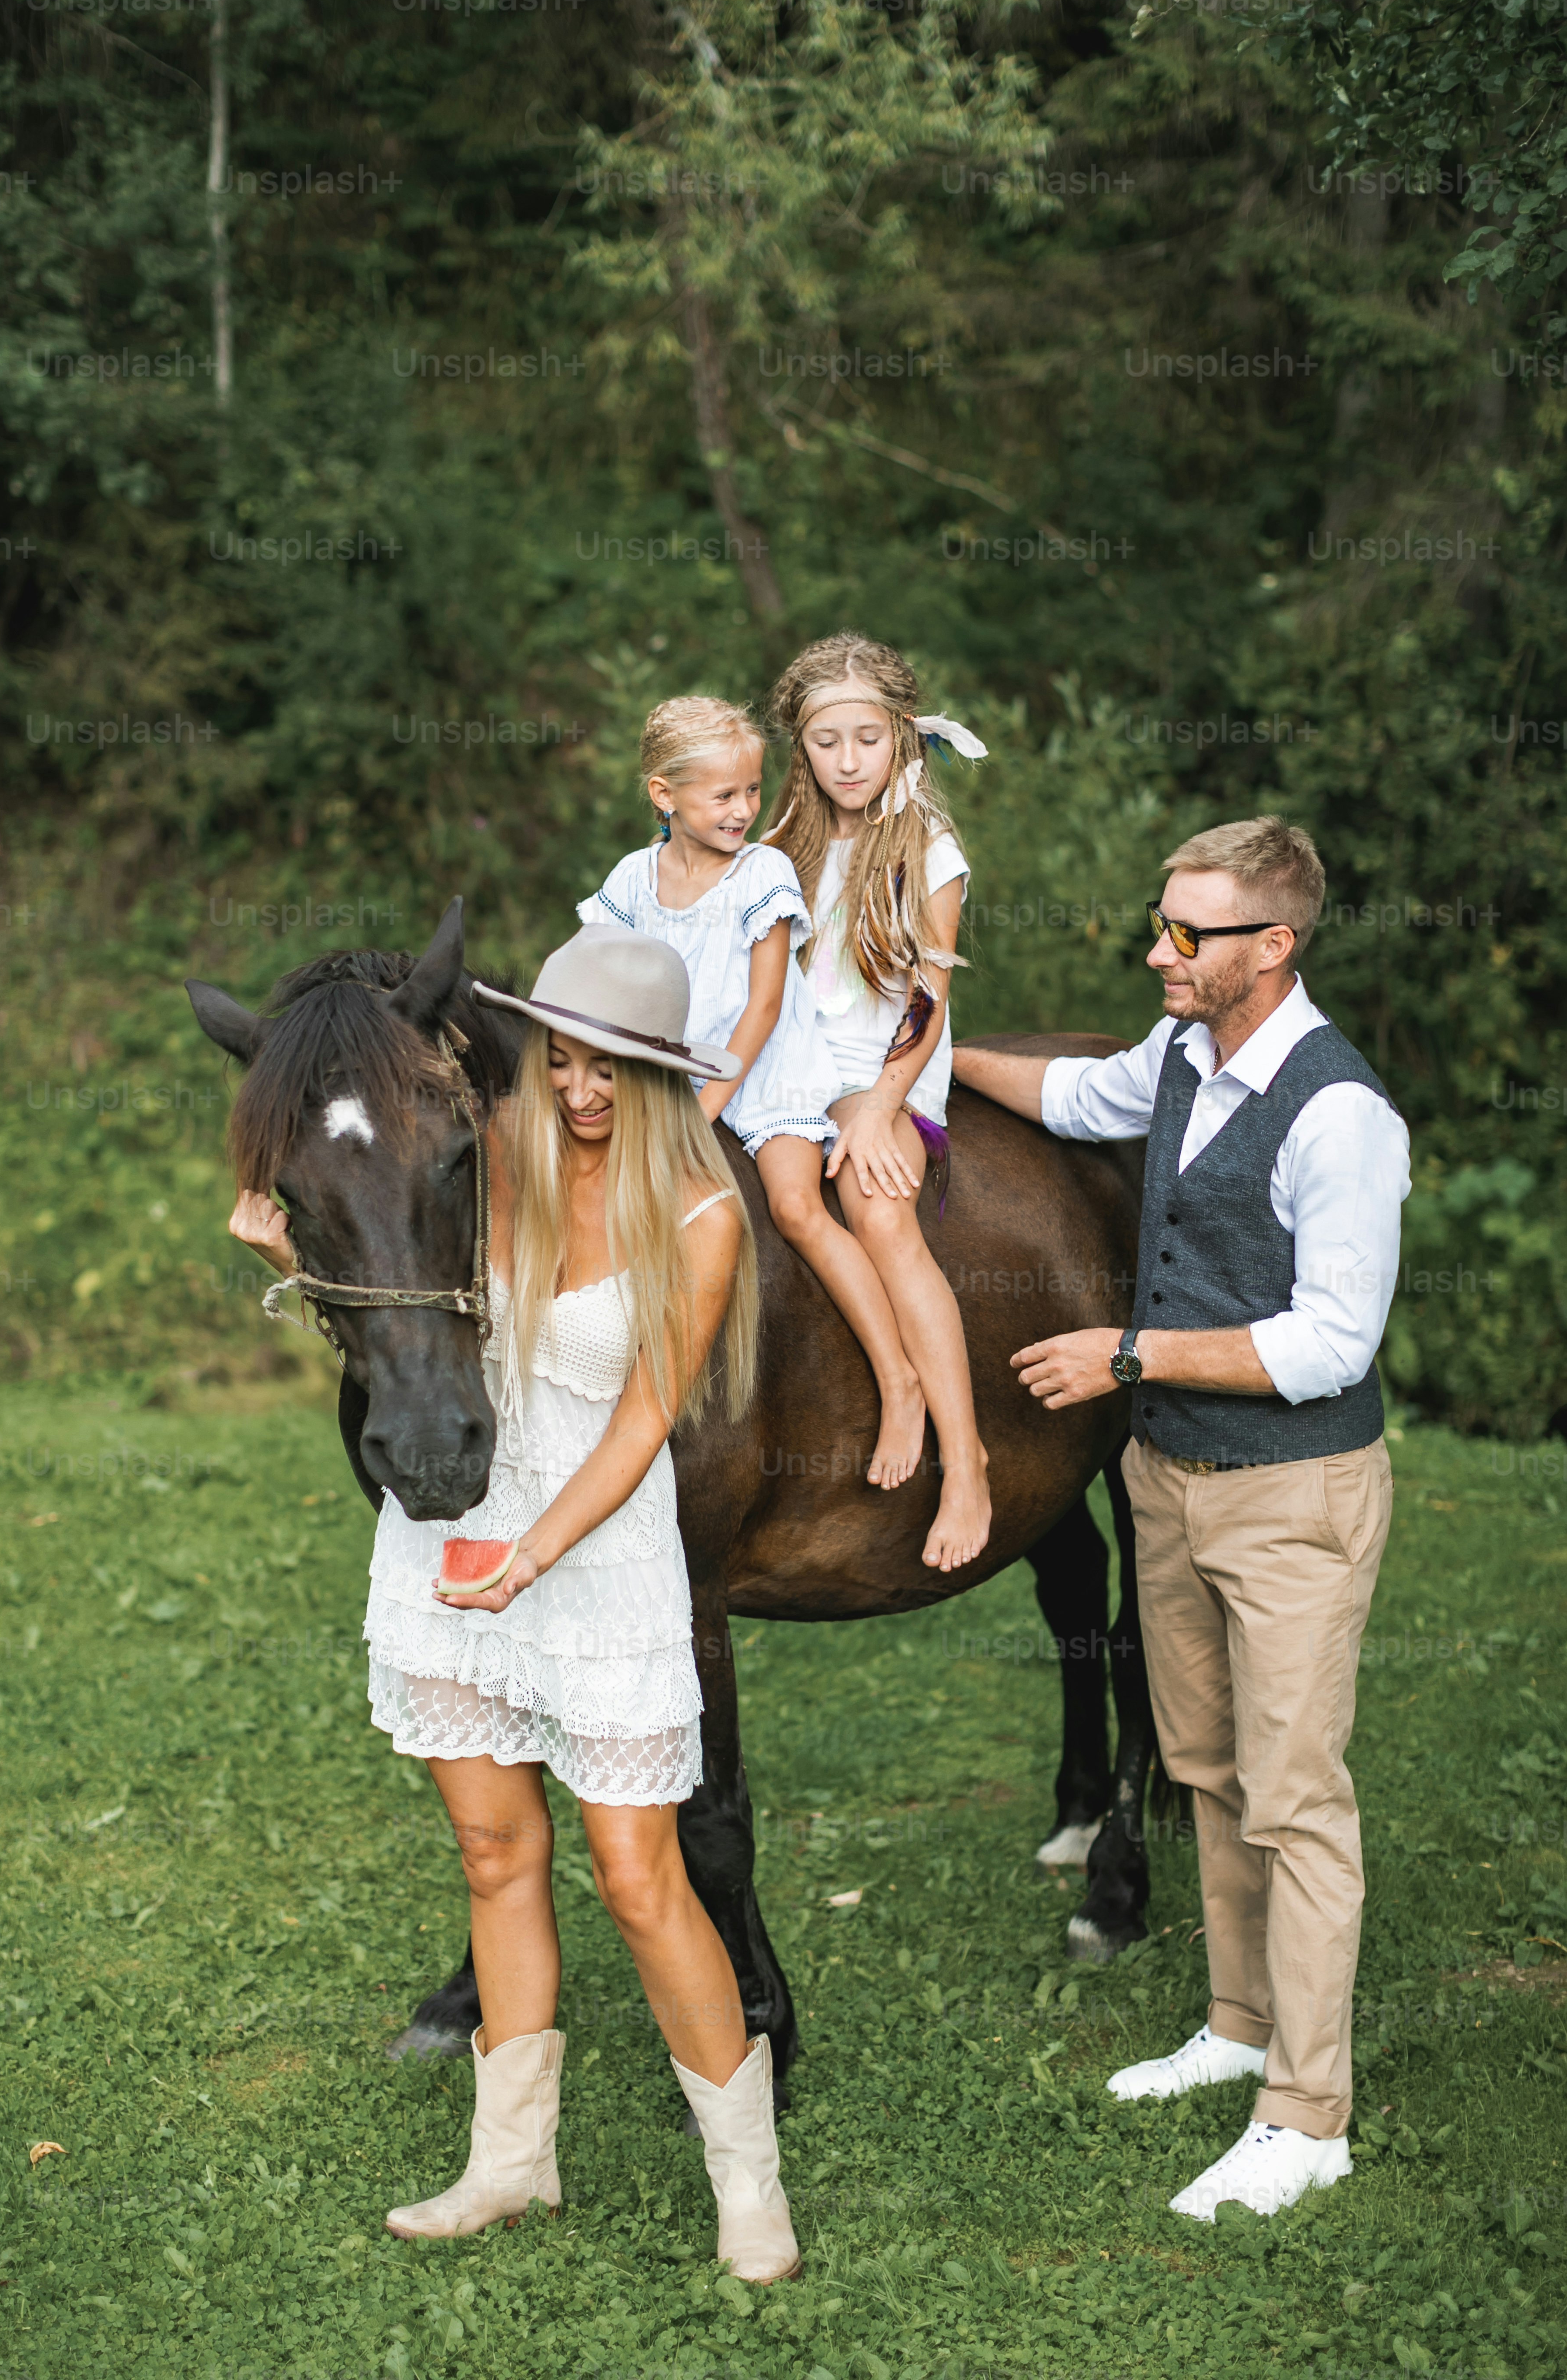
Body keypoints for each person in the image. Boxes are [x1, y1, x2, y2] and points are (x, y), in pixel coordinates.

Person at [229, 926, 800, 2282]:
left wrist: (533, 1555)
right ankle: (509, 2162)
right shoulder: (490, 1158)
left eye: (611, 1067)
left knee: (638, 1875)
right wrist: (283, 1233)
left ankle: (748, 2182)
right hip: (456, 1543)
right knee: (494, 1856)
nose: (580, 1089)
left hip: (587, 1553)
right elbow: (381, 1232)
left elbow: (645, 1418)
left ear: (663, 1073)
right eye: (562, 1056)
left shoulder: (702, 1214)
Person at [953, 816, 1410, 2220]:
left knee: (1296, 1799)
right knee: (1205, 1768)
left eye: (1186, 935)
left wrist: (1127, 1355)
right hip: (1171, 1484)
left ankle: (1309, 2113)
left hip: (1291, 1497)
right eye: (1162, 923)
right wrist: (914, 1057)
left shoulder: (1339, 1114)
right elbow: (1081, 1102)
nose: (1158, 951)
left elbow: (1331, 1342)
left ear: (1272, 947)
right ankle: (1237, 2024)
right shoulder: (1181, 1057)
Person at [578, 692, 925, 1491]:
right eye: (723, 795)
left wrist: (705, 1104)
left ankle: (899, 1381)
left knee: (796, 1208)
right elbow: (598, 975)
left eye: (752, 792)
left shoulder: (761, 873)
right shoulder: (634, 878)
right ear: (665, 797)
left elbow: (764, 1006)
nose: (742, 810)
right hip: (669, 1074)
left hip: (763, 1070)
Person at [765, 632, 992, 1573]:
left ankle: (964, 1454)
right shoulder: (781, 842)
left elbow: (926, 998)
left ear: (901, 735)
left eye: (866, 738)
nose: (847, 761)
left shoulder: (926, 847)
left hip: (882, 1059)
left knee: (877, 1207)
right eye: (827, 743)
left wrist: (876, 1105)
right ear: (802, 749)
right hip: (790, 1061)